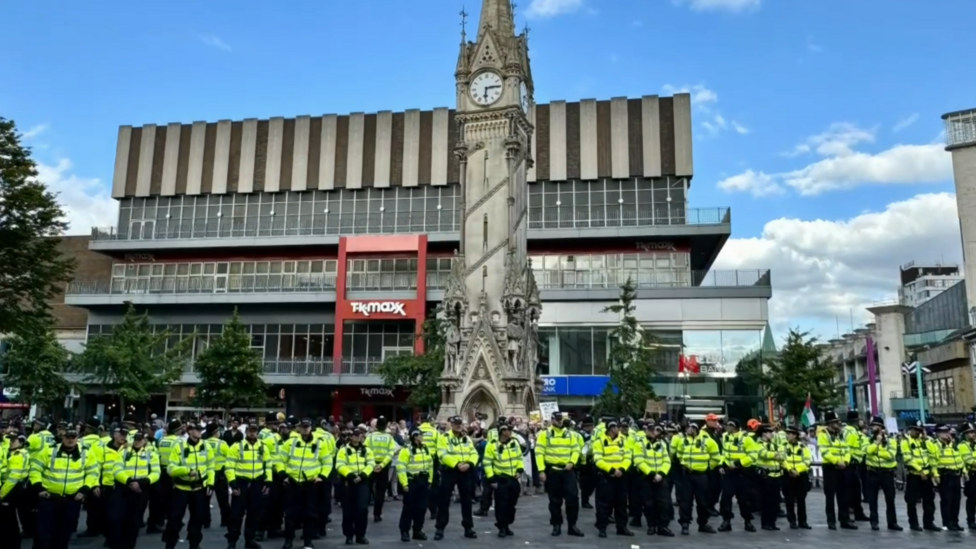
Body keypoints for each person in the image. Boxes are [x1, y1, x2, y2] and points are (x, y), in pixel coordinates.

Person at [29, 426, 98, 549]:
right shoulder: (49, 450)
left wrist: (84, 491)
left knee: (64, 535)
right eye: (67, 437)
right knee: (42, 535)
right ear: (62, 437)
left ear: (78, 438)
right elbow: (35, 469)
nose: (70, 440)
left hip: (72, 500)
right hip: (49, 498)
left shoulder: (86, 453)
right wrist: (39, 488)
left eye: (73, 437)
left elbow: (92, 473)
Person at [281, 419, 332, 549]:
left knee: (310, 514)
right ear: (299, 428)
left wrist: (322, 476)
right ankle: (288, 541)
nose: (305, 429)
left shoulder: (320, 444)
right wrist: (283, 475)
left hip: (310, 483)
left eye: (307, 427)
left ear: (311, 428)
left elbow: (327, 462)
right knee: (290, 514)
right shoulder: (291, 443)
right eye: (303, 427)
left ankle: (308, 541)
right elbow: (280, 460)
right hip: (292, 482)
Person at [163, 422, 215, 549]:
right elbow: (171, 469)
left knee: (198, 518)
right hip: (182, 489)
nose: (200, 432)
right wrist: (187, 471)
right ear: (189, 431)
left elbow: (210, 466)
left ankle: (194, 544)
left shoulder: (206, 446)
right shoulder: (179, 446)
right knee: (174, 519)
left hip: (199, 488)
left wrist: (210, 483)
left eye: (201, 430)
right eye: (197, 429)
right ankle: (170, 544)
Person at [535, 412, 583, 537]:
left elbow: (576, 449)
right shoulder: (544, 434)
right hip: (552, 471)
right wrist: (541, 470)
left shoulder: (570, 434)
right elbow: (539, 453)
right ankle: (556, 526)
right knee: (555, 501)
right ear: (552, 420)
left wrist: (572, 462)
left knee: (573, 499)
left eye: (561, 419)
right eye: (557, 419)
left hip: (567, 470)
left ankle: (572, 526)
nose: (559, 421)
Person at [225, 423, 272, 549]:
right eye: (250, 431)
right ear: (246, 432)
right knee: (236, 515)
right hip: (241, 484)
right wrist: (233, 484)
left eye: (254, 431)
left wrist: (268, 482)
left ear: (257, 432)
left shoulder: (263, 447)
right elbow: (229, 466)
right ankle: (232, 541)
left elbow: (268, 465)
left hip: (257, 484)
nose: (252, 433)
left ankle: (250, 540)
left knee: (254, 514)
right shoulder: (237, 446)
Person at [434, 416, 478, 540]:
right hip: (450, 471)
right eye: (456, 424)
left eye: (460, 424)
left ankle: (468, 527)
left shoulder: (466, 438)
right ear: (451, 425)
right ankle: (440, 528)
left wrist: (469, 464)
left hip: (465, 471)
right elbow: (442, 454)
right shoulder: (444, 438)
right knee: (444, 500)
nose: (459, 426)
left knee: (467, 500)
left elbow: (473, 453)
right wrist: (456, 464)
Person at [116, 431, 160, 549]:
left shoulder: (151, 454)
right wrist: (129, 481)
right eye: (135, 439)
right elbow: (117, 469)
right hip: (125, 488)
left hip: (142, 489)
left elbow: (156, 472)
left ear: (144, 441)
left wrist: (142, 482)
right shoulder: (124, 452)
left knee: (135, 520)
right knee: (121, 518)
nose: (137, 442)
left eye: (140, 439)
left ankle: (130, 545)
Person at [676, 422, 719, 535]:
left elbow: (716, 457)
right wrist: (684, 464)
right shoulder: (683, 441)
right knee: (685, 501)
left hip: (701, 475)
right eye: (688, 427)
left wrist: (708, 467)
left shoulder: (707, 441)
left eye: (691, 428)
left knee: (703, 501)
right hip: (687, 475)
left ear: (695, 429)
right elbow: (679, 455)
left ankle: (703, 524)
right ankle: (685, 524)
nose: (688, 430)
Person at [483, 423, 523, 538]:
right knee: (501, 505)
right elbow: (487, 462)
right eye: (508, 430)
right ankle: (502, 527)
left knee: (512, 504)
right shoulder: (492, 445)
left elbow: (519, 457)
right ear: (502, 432)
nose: (510, 432)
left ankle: (507, 523)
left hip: (513, 478)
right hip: (501, 479)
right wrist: (491, 479)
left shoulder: (514, 442)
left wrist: (519, 470)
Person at [592, 420, 632, 538]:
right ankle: (602, 527)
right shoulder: (599, 441)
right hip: (606, 476)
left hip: (621, 476)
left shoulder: (624, 440)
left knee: (621, 503)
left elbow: (628, 456)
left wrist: (622, 469)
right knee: (603, 504)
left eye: (618, 427)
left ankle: (622, 527)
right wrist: (611, 470)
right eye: (615, 427)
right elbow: (598, 459)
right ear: (610, 429)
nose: (618, 429)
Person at [337, 427, 375, 545]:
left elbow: (371, 463)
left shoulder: (367, 450)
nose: (357, 437)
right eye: (355, 435)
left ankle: (360, 535)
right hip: (348, 482)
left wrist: (363, 475)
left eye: (359, 435)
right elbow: (339, 465)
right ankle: (349, 535)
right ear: (350, 436)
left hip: (363, 481)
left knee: (362, 509)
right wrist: (350, 475)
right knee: (348, 510)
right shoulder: (343, 450)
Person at [817, 411, 855, 530]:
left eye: (838, 422)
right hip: (830, 468)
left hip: (843, 468)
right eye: (836, 422)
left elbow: (847, 449)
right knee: (830, 496)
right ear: (829, 423)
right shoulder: (823, 435)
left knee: (844, 495)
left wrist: (846, 461)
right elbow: (825, 452)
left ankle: (844, 520)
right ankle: (831, 520)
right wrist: (837, 462)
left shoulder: (841, 434)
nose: (838, 424)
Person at [718, 419, 757, 532]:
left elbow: (753, 455)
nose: (726, 427)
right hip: (729, 473)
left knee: (744, 499)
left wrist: (738, 463)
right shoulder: (725, 437)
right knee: (725, 497)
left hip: (742, 473)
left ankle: (748, 521)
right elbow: (724, 453)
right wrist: (721, 465)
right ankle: (726, 521)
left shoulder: (746, 439)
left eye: (729, 425)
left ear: (734, 427)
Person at [635, 424, 674, 536]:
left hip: (660, 477)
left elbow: (666, 461)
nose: (653, 432)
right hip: (647, 478)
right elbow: (639, 461)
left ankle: (663, 526)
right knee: (648, 504)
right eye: (650, 430)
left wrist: (661, 474)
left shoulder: (661, 444)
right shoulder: (640, 444)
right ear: (646, 431)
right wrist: (651, 474)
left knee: (664, 503)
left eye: (655, 430)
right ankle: (651, 525)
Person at [864, 416, 901, 531]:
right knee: (872, 499)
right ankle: (874, 522)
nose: (872, 428)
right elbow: (867, 451)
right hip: (872, 472)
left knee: (890, 499)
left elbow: (891, 455)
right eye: (871, 426)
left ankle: (892, 522)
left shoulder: (891, 440)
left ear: (881, 427)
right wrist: (877, 443)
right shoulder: (867, 439)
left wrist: (877, 452)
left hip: (887, 473)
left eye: (874, 426)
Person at [396, 429, 434, 542]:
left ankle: (417, 530)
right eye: (421, 435)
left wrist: (430, 480)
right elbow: (401, 467)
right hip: (411, 481)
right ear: (415, 437)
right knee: (408, 508)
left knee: (422, 508)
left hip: (423, 481)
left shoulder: (425, 448)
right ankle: (404, 531)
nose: (423, 437)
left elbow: (430, 465)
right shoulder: (406, 450)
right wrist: (404, 483)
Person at [149, 419, 183, 534]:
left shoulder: (161, 440)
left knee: (161, 498)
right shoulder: (179, 441)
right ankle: (171, 522)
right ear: (178, 430)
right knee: (174, 500)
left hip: (161, 472)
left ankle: (159, 521)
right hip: (173, 472)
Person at [933, 423, 965, 531]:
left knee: (956, 500)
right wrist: (936, 475)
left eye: (947, 432)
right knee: (947, 500)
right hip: (945, 475)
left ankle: (955, 522)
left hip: (956, 475)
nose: (947, 434)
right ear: (938, 433)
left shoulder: (953, 444)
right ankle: (948, 522)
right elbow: (933, 461)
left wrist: (964, 471)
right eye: (944, 432)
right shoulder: (935, 445)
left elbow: (959, 459)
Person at [364, 417, 396, 523]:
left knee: (367, 489)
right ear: (386, 426)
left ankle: (364, 512)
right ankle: (377, 514)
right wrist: (382, 465)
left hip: (370, 466)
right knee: (381, 492)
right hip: (383, 467)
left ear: (376, 426)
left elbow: (365, 450)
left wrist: (373, 464)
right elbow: (391, 453)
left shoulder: (370, 437)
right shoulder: (389, 438)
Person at [0, 433, 29, 549]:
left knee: (9, 521)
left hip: (12, 490)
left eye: (13, 441)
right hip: (13, 489)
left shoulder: (18, 454)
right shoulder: (13, 453)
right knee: (9, 520)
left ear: (21, 443)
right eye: (10, 440)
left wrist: (2, 494)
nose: (10, 443)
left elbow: (13, 477)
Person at [781, 426, 811, 529]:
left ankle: (803, 521)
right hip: (788, 475)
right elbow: (782, 460)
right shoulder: (783, 446)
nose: (787, 436)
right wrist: (790, 470)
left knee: (801, 500)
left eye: (789, 434)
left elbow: (807, 461)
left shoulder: (803, 447)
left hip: (801, 475)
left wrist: (797, 470)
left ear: (795, 435)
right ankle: (792, 521)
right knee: (789, 500)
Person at [755, 425, 784, 531]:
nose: (772, 434)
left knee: (775, 502)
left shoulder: (774, 444)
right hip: (766, 477)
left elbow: (782, 455)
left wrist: (776, 454)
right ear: (763, 433)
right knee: (766, 501)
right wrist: (776, 454)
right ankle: (766, 523)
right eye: (769, 432)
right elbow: (764, 454)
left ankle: (772, 522)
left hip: (777, 476)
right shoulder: (758, 444)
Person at [205, 423, 232, 529]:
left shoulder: (204, 443)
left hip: (207, 474)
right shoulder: (222, 444)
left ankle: (206, 521)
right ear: (215, 432)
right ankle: (226, 520)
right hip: (220, 475)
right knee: (223, 500)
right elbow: (230, 457)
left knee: (205, 500)